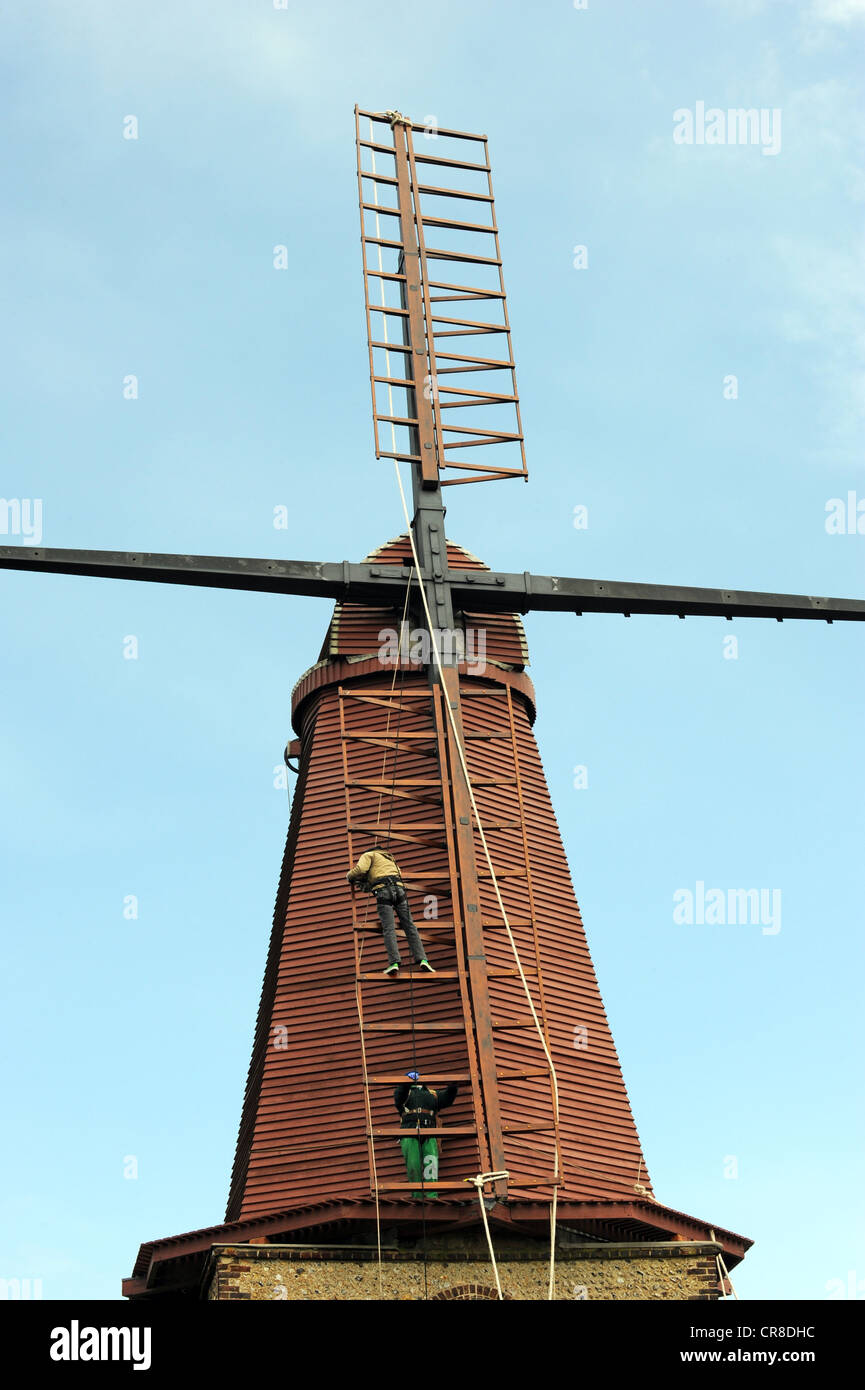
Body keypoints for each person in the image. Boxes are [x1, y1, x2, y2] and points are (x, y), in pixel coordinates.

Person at [346, 846, 435, 976]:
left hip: (384, 892)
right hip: (400, 891)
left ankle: (394, 963)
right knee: (410, 926)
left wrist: (349, 876)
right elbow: (393, 873)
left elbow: (361, 869)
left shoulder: (368, 855)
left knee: (389, 928)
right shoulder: (390, 858)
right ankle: (423, 959)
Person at [393, 1070, 459, 1199]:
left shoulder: (431, 1094)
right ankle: (416, 1195)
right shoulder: (405, 1092)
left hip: (429, 1131)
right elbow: (400, 1096)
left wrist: (453, 1086)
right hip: (409, 1131)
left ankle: (432, 1195)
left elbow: (447, 1098)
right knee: (413, 1164)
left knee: (431, 1164)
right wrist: (406, 1082)